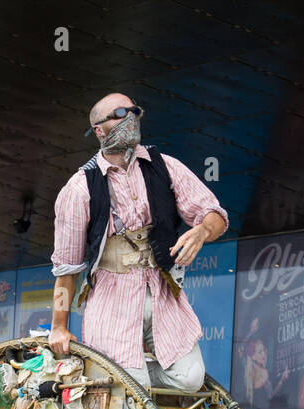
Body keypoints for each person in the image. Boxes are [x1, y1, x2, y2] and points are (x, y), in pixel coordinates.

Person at [48, 92, 228, 392]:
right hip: (112, 298)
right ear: (99, 130)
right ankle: (126, 377)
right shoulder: (79, 188)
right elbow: (66, 271)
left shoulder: (164, 165)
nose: (130, 117)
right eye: (120, 112)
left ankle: (126, 376)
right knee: (132, 387)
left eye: (135, 111)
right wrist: (58, 327)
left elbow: (216, 215)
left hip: (161, 291)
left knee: (190, 380)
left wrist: (202, 231)